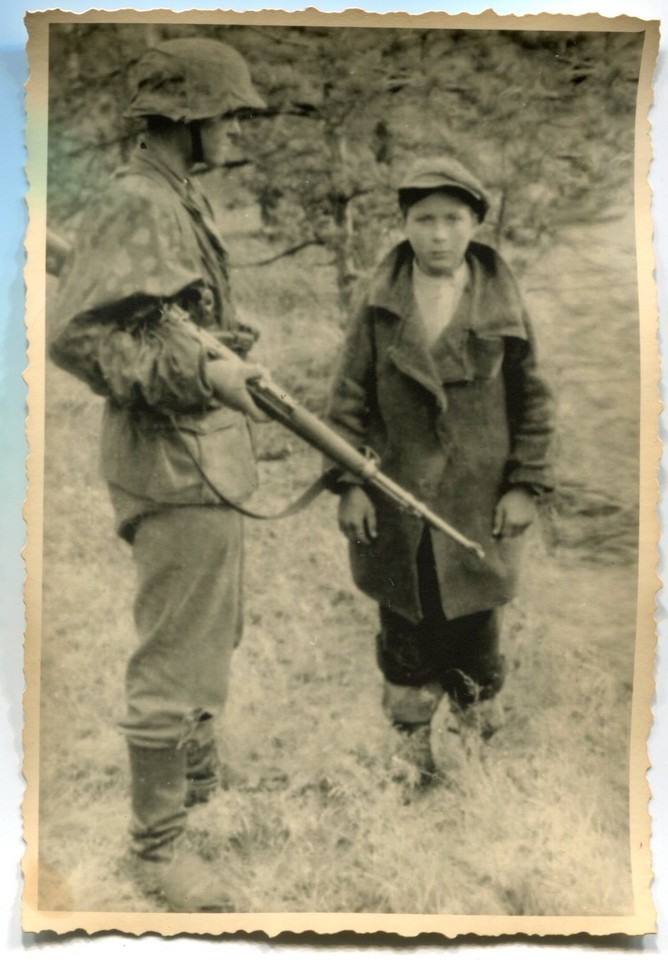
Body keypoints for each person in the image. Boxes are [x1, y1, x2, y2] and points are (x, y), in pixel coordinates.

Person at [49, 37, 269, 911]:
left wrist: (224, 354)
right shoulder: (139, 202)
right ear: (185, 119)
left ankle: (199, 795)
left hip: (204, 456)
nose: (233, 129)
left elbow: (168, 317)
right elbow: (82, 336)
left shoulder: (176, 197)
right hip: (171, 460)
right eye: (223, 114)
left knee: (213, 633)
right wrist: (201, 375)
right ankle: (157, 849)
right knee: (174, 657)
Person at [326, 157, 555, 790]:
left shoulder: (502, 301)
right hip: (396, 502)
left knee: (476, 632)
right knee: (405, 626)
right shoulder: (378, 306)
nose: (437, 235)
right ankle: (410, 761)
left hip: (477, 503)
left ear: (475, 225)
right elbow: (346, 399)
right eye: (423, 220)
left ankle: (480, 761)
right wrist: (350, 486)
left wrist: (524, 483)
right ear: (403, 224)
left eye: (452, 219)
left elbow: (535, 397)